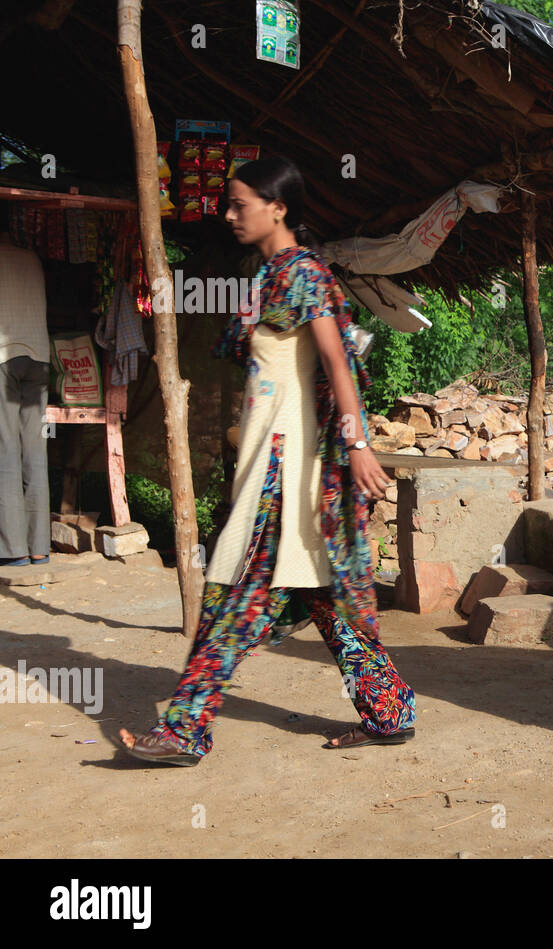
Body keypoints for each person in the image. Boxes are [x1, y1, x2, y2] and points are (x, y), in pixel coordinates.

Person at [118, 156, 415, 766]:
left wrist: (357, 445)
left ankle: (184, 729)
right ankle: (389, 711)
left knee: (230, 604)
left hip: (283, 476)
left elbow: (338, 365)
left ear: (277, 207)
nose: (229, 214)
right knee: (329, 602)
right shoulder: (271, 277)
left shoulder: (305, 274)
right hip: (272, 466)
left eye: (240, 204)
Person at [0, 206, 52, 568]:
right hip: (39, 358)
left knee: (5, 451)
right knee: (35, 451)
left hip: (2, 357)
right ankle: (39, 548)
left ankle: (13, 550)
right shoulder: (31, 257)